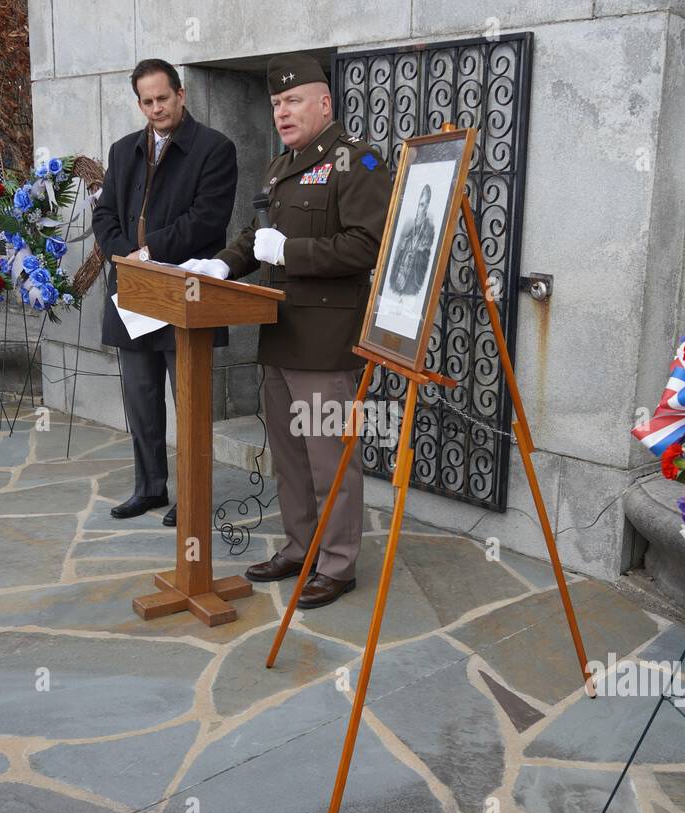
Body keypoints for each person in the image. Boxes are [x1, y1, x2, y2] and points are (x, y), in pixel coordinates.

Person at [182, 54, 392, 609]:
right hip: (278, 333)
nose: (282, 112)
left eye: (293, 100)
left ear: (324, 102)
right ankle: (301, 547)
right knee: (291, 457)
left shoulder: (359, 161)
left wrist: (291, 251)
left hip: (325, 343)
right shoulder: (280, 168)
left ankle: (339, 564)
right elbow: (255, 234)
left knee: (329, 459)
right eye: (276, 104)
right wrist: (223, 265)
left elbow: (369, 247)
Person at [92, 58, 238, 527]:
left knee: (189, 402)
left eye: (163, 98)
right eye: (147, 101)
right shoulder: (122, 150)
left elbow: (208, 220)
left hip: (184, 292)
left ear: (181, 95)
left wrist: (151, 252)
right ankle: (150, 487)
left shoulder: (215, 149)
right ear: (139, 102)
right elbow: (105, 216)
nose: (156, 108)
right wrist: (126, 257)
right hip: (132, 288)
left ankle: (192, 494)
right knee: (140, 396)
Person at [388, 184, 434, 295]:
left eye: (423, 205)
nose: (420, 209)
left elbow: (425, 261)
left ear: (427, 207)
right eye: (419, 204)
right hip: (398, 282)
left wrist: (419, 251)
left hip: (412, 285)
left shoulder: (429, 230)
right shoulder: (411, 228)